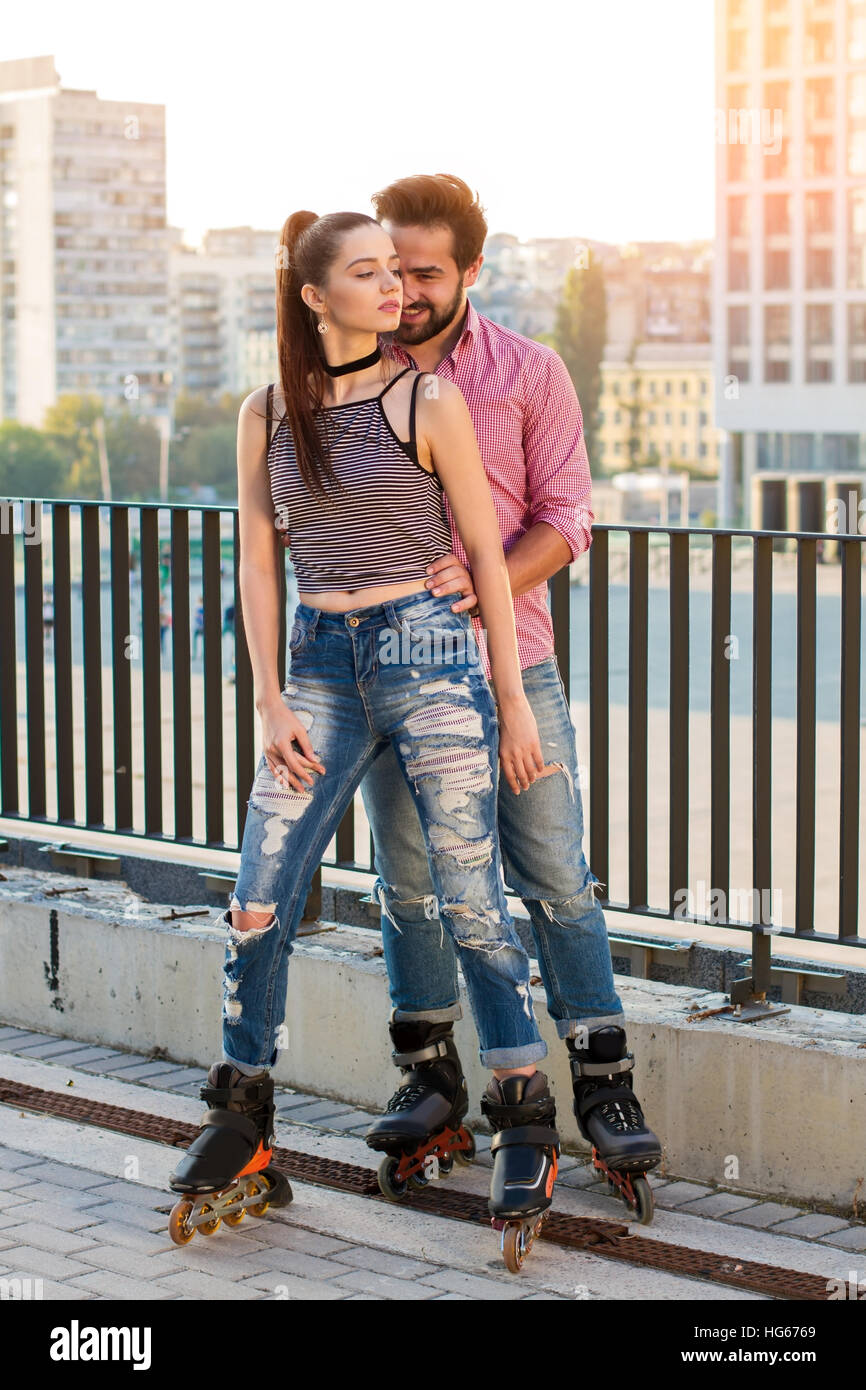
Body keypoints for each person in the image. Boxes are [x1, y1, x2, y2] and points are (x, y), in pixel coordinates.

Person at [168, 209, 559, 1242]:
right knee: (258, 896)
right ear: (311, 295)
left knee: (469, 895)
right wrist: (264, 698)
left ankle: (522, 1106)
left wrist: (511, 704)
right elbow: (256, 561)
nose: (391, 286)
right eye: (365, 271)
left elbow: (484, 553)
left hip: (430, 656)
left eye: (396, 270)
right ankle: (242, 1110)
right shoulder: (265, 411)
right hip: (317, 666)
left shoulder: (427, 397)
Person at [277, 175, 661, 1200]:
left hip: (512, 663)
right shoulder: (351, 373)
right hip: (387, 674)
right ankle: (430, 1077)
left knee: (553, 877)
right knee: (408, 881)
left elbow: (566, 519)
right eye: (387, 267)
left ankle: (603, 1081)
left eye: (423, 271)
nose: (400, 286)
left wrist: (478, 574)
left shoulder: (529, 373)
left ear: (470, 273)